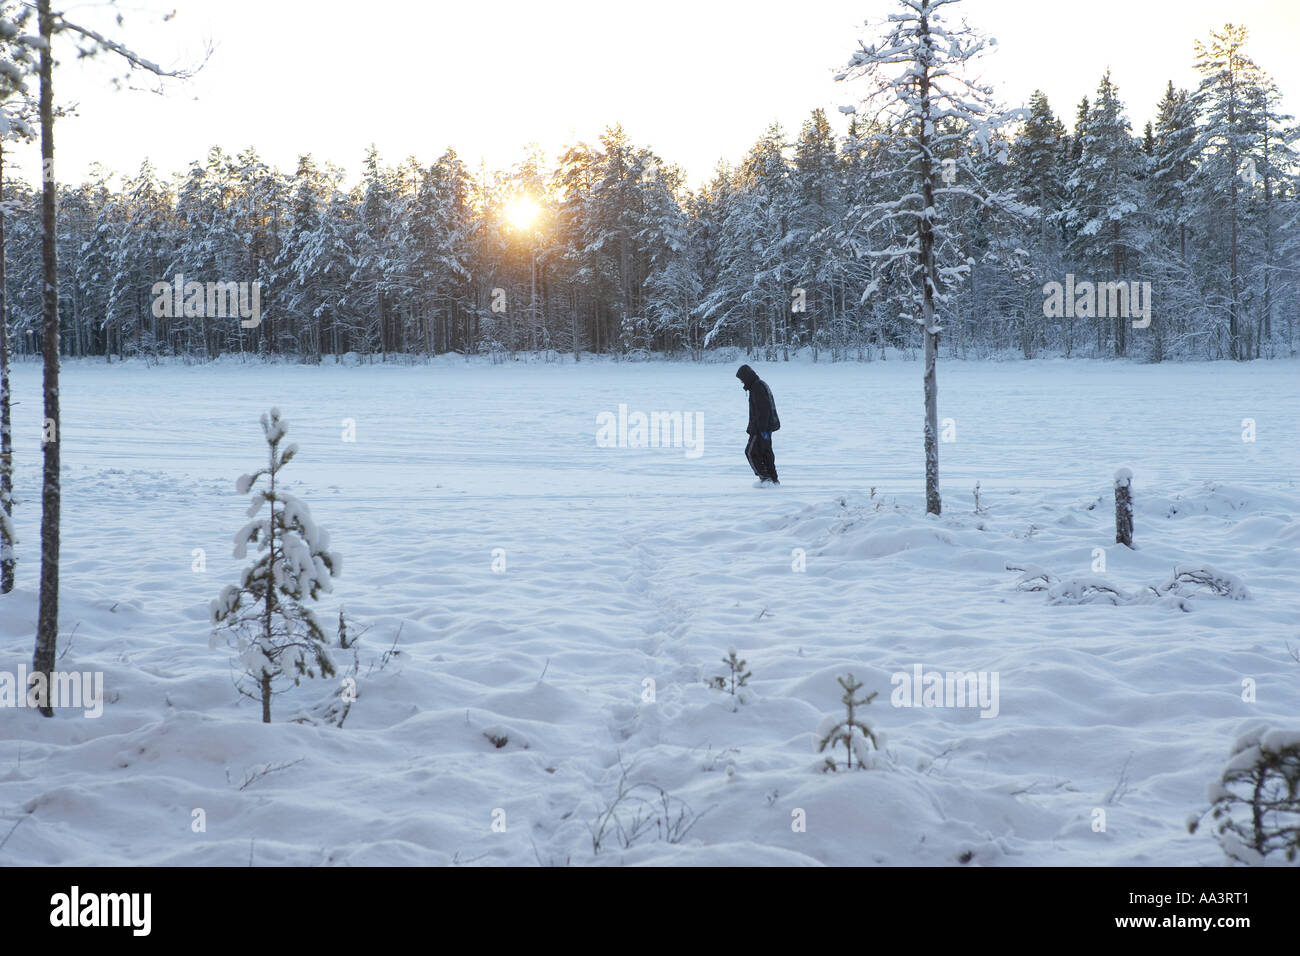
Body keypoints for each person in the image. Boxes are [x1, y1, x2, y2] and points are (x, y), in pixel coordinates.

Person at [736, 364, 779, 485]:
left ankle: (765, 478)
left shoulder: (757, 388)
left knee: (750, 452)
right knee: (765, 452)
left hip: (760, 428)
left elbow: (763, 410)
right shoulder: (758, 385)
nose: (741, 382)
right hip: (765, 427)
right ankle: (773, 479)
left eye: (741, 379)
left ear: (747, 377)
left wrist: (762, 430)